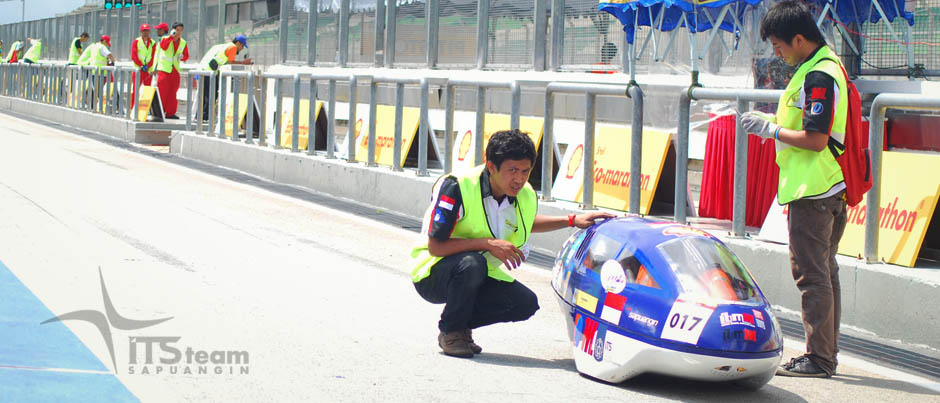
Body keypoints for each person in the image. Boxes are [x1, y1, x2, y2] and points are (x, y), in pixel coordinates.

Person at [410, 129, 614, 358]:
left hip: (477, 273)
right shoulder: (458, 186)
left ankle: (460, 323)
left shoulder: (524, 194)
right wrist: (488, 243)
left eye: (525, 171)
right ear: (491, 167)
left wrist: (572, 220)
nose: (519, 178)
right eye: (512, 170)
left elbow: (526, 222)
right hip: (433, 273)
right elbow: (436, 246)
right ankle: (452, 331)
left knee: (524, 303)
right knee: (472, 263)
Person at [740, 0, 849, 378]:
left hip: (813, 191)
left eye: (778, 45)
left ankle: (819, 359)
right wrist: (771, 121)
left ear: (799, 38)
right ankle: (826, 353)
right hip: (828, 188)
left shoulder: (818, 75)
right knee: (825, 272)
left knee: (812, 275)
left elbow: (816, 139)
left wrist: (771, 130)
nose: (777, 53)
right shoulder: (823, 66)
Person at [199, 35, 253, 121]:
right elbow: (230, 61)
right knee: (211, 95)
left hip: (209, 71)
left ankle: (201, 117)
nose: (242, 49)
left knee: (207, 95)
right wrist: (243, 62)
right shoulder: (233, 47)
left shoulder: (227, 45)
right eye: (242, 46)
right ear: (238, 43)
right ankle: (204, 117)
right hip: (210, 72)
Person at [154, 22, 188, 119]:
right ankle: (160, 111)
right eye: (177, 30)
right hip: (164, 69)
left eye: (181, 30)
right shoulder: (165, 39)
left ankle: (170, 113)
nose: (179, 32)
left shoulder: (183, 42)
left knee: (173, 92)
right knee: (162, 91)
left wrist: (182, 57)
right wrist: (171, 37)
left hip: (175, 70)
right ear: (173, 30)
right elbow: (164, 47)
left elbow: (186, 55)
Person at [77, 35, 117, 109]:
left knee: (96, 90)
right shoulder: (102, 47)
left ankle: (95, 106)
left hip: (93, 71)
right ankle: (101, 107)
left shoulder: (95, 46)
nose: (107, 45)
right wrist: (115, 61)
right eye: (107, 43)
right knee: (100, 91)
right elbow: (109, 54)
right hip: (100, 73)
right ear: (104, 41)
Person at [130, 24, 156, 109]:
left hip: (148, 70)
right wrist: (141, 65)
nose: (145, 33)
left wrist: (148, 66)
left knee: (147, 90)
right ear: (141, 32)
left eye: (147, 31)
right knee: (136, 89)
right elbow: (134, 55)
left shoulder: (152, 42)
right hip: (138, 69)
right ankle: (133, 107)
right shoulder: (136, 41)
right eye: (144, 31)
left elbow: (153, 55)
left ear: (149, 31)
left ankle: (145, 108)